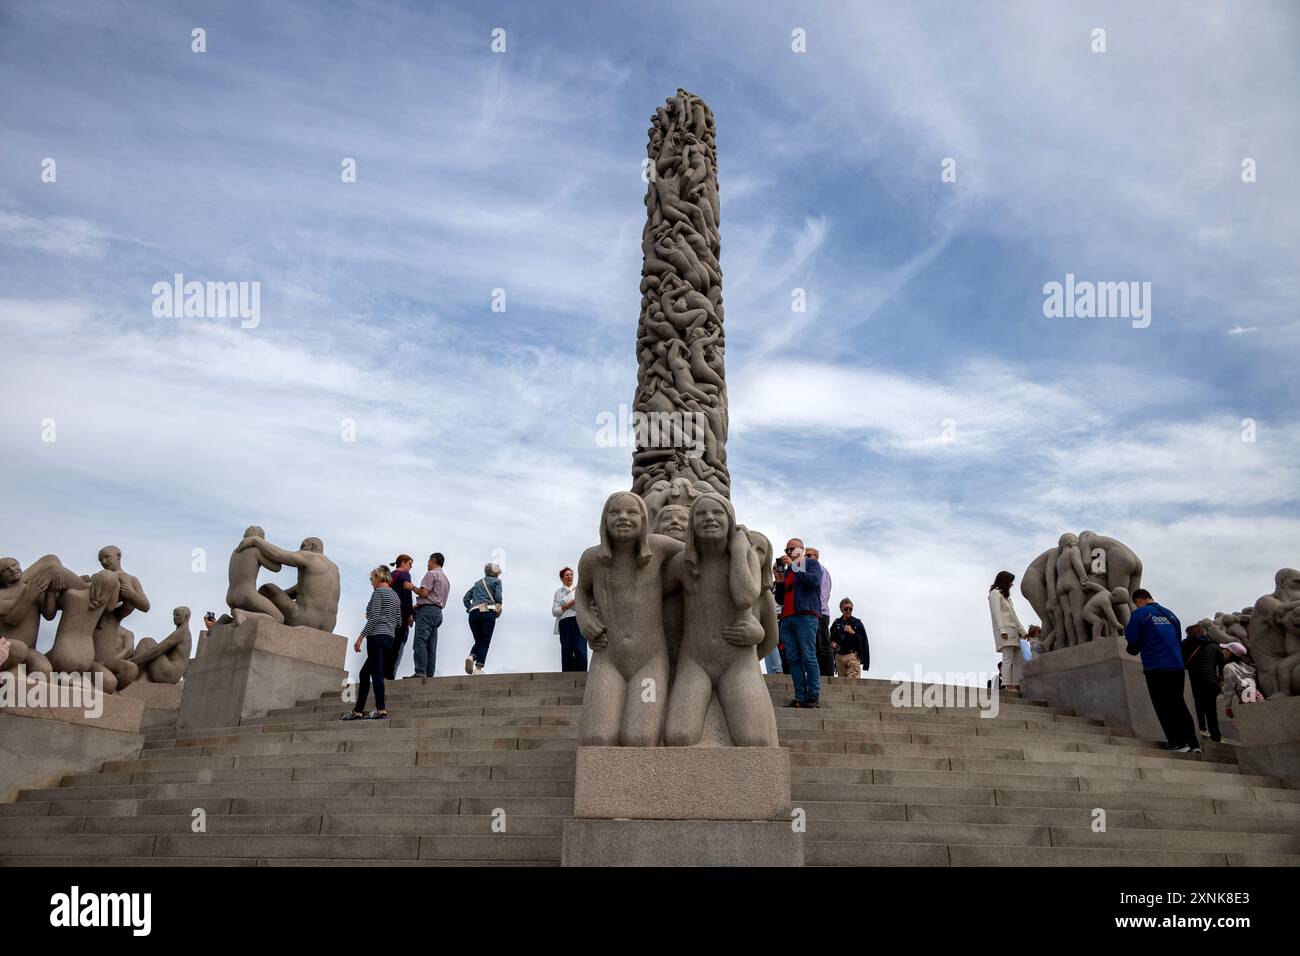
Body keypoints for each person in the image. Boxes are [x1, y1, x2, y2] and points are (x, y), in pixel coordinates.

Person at [1125, 588, 1199, 752]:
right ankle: (1194, 744)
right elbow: (1177, 639)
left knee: (1163, 705)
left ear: (1138, 601)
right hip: (1177, 666)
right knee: (1179, 704)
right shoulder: (1171, 615)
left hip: (1156, 666)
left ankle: (1177, 743)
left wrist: (1133, 647)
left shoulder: (1140, 614)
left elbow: (1132, 640)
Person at [342, 566, 400, 720]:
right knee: (365, 672)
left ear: (378, 577)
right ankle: (358, 710)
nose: (371, 583)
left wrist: (360, 638)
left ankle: (380, 709)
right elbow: (399, 622)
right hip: (389, 637)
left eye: (371, 580)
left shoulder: (378, 593)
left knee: (377, 673)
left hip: (376, 636)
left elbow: (373, 619)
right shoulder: (395, 596)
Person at [773, 538, 823, 708]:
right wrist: (779, 581)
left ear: (801, 550)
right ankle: (800, 696)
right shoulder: (788, 572)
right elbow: (780, 598)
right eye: (786, 550)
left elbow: (813, 581)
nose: (788, 553)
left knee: (808, 656)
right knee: (793, 659)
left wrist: (793, 567)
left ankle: (813, 696)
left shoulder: (811, 564)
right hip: (787, 618)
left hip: (805, 615)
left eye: (792, 549)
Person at [1181, 623, 1223, 743]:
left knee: (1197, 706)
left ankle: (1201, 730)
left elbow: (1181, 660)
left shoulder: (1185, 645)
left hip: (1194, 679)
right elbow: (1221, 663)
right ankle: (1216, 736)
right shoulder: (1214, 646)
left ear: (1189, 633)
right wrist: (1219, 679)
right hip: (1211, 681)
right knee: (1211, 710)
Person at [988, 571, 1027, 692]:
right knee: (1008, 658)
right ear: (1005, 581)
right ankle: (1007, 685)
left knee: (1017, 659)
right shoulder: (995, 594)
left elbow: (1014, 616)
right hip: (1005, 630)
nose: (1011, 584)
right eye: (1010, 581)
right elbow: (997, 613)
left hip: (1014, 631)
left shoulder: (1006, 597)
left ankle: (1015, 684)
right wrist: (1002, 629)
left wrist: (1023, 631)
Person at [411, 552, 448, 677]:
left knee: (420, 641)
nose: (427, 564)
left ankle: (420, 671)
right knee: (432, 646)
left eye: (428, 561)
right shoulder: (446, 579)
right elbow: (435, 597)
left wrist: (412, 587)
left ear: (433, 561)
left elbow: (424, 593)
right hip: (438, 613)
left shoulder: (431, 574)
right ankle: (429, 674)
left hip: (426, 612)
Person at [463, 563, 503, 674]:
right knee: (485, 641)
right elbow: (498, 598)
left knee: (479, 640)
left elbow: (466, 598)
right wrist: (498, 605)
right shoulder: (497, 582)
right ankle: (478, 669)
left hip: (473, 613)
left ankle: (471, 657)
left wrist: (469, 608)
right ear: (496, 573)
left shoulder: (477, 583)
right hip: (487, 610)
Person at [805, 547, 835, 677]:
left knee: (823, 645)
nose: (806, 557)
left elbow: (824, 594)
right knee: (815, 645)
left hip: (821, 612)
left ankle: (828, 675)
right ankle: (819, 675)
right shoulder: (809, 572)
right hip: (812, 612)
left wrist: (817, 610)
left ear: (817, 557)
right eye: (805, 555)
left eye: (809, 555)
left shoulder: (822, 571)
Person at [385, 555, 415, 680]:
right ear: (402, 563)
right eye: (409, 563)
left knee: (387, 644)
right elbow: (407, 597)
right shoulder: (405, 576)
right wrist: (411, 614)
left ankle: (382, 673)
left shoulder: (390, 576)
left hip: (387, 614)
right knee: (397, 645)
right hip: (400, 614)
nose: (411, 566)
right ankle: (389, 674)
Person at [553, 566, 588, 672]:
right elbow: (554, 612)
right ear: (562, 578)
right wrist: (569, 604)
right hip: (565, 622)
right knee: (567, 649)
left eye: (571, 574)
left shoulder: (579, 590)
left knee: (580, 647)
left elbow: (583, 605)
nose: (569, 577)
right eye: (566, 575)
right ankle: (567, 674)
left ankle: (582, 673)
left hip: (578, 621)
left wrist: (564, 606)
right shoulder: (558, 593)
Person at [829, 597, 868, 679]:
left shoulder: (857, 623)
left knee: (853, 682)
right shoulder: (836, 623)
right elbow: (831, 637)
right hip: (839, 656)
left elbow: (862, 640)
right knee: (842, 683)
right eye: (846, 609)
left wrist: (852, 632)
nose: (848, 611)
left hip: (852, 655)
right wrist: (833, 642)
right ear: (841, 609)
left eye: (850, 609)